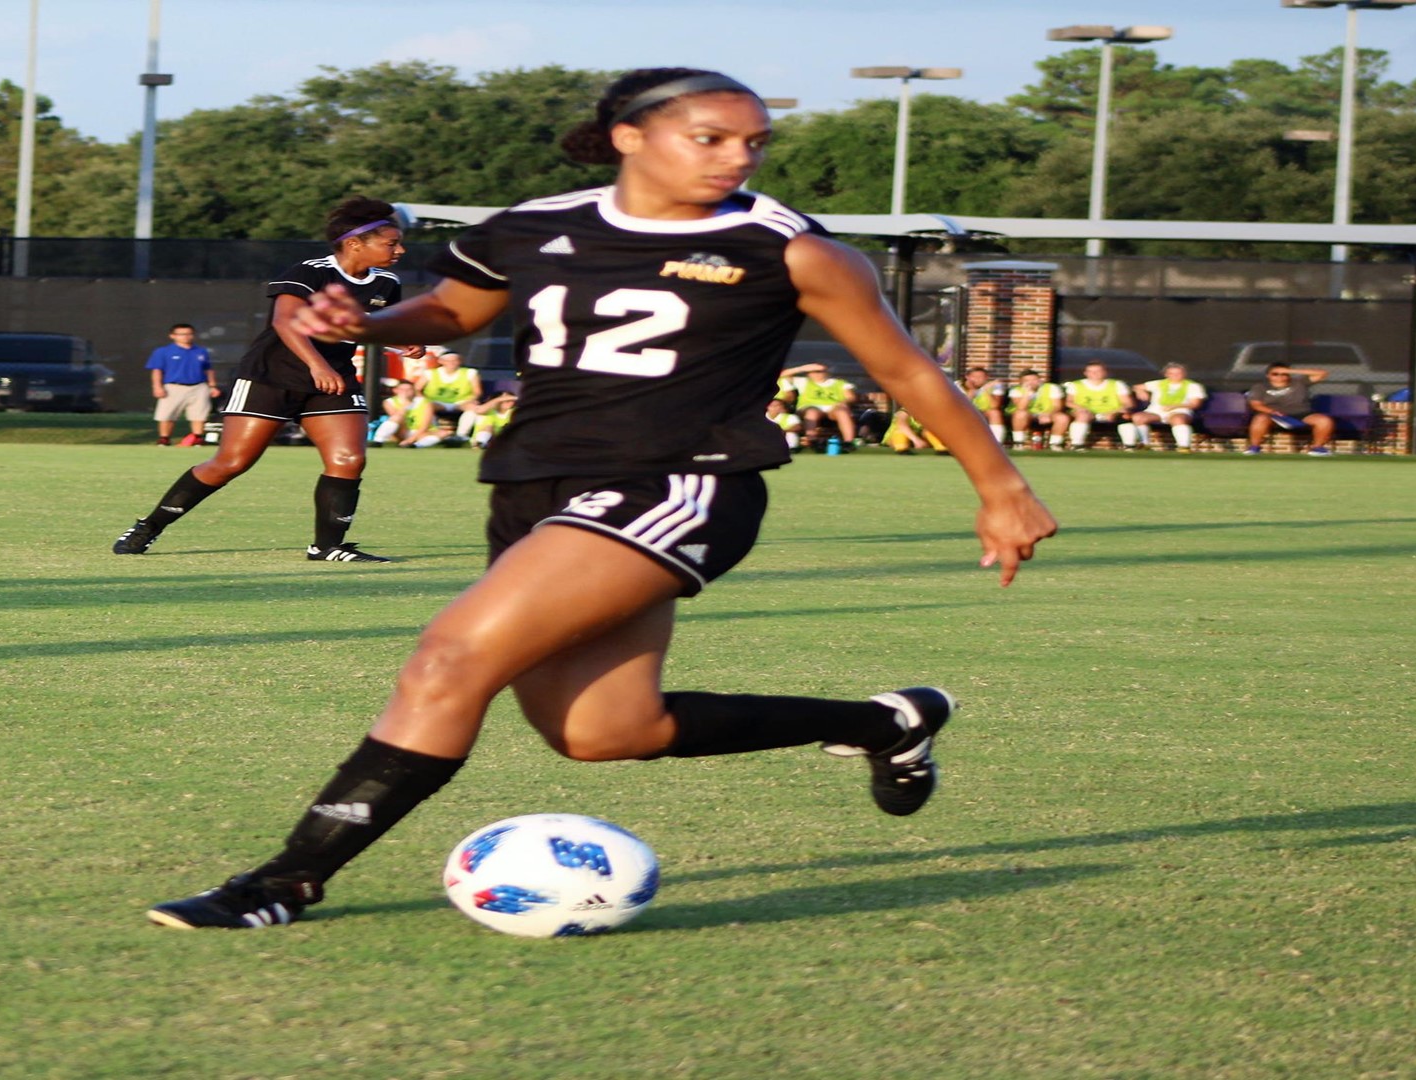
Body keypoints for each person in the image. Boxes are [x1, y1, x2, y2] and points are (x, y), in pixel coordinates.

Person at [145, 68, 1057, 932]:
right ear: (630, 136)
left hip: (682, 480)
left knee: (449, 658)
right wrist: (370, 323)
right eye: (710, 137)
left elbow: (905, 368)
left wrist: (1001, 486)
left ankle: (283, 882)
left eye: (754, 142)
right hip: (534, 482)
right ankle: (884, 723)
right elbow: (457, 313)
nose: (737, 157)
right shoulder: (531, 226)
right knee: (603, 731)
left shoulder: (791, 249)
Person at [111, 196, 413, 561]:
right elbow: (285, 322)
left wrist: (402, 342)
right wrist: (318, 366)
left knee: (349, 459)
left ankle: (327, 546)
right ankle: (150, 526)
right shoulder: (310, 272)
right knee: (230, 463)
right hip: (272, 377)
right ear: (354, 244)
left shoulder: (386, 283)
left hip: (333, 381)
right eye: (391, 243)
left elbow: (371, 326)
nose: (400, 249)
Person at [147, 323, 220, 446]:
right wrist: (157, 387)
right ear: (172, 336)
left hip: (198, 386)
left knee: (199, 414)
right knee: (167, 414)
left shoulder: (201, 351)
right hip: (173, 387)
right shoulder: (163, 351)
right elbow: (157, 370)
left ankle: (198, 438)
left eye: (189, 334)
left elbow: (208, 369)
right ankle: (164, 438)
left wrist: (212, 385)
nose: (186, 337)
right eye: (182, 334)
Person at [1244, 362, 1336, 456]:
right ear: (1268, 375)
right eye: (1275, 374)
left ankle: (1317, 448)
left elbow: (1322, 373)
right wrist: (1272, 411)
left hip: (1301, 413)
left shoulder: (1299, 382)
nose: (1279, 376)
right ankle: (1254, 448)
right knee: (1260, 418)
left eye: (1283, 374)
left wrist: (1290, 370)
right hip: (1274, 414)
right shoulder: (1260, 387)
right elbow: (1256, 404)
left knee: (1324, 420)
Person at [1131, 363, 1207, 452]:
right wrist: (1139, 391)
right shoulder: (1158, 383)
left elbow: (1195, 404)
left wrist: (1175, 406)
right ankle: (1144, 444)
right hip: (1156, 411)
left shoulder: (1193, 386)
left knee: (1177, 419)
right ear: (1166, 374)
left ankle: (1184, 447)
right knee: (1138, 417)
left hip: (1180, 410)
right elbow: (1136, 386)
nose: (1175, 376)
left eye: (1178, 373)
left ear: (1184, 374)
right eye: (1172, 373)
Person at [1062, 361, 1138, 451]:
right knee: (1082, 415)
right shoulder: (1076, 385)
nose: (1094, 374)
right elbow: (1069, 402)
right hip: (1086, 412)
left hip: (1111, 412)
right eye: (1090, 371)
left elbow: (1129, 404)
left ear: (1105, 372)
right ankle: (1077, 445)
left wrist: (1114, 412)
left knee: (1125, 416)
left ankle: (1130, 446)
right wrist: (1082, 408)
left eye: (1098, 371)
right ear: (1085, 373)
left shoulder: (1117, 384)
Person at [415, 345, 484, 440]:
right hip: (436, 402)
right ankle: (433, 432)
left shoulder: (470, 373)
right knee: (426, 407)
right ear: (441, 361)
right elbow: (417, 389)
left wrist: (470, 400)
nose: (452, 363)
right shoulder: (430, 373)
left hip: (461, 402)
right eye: (448, 360)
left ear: (460, 361)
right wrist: (424, 400)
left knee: (474, 408)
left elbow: (477, 392)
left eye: (455, 360)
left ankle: (461, 435)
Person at [787, 363, 858, 449]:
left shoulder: (839, 383)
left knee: (842, 411)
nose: (816, 374)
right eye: (813, 372)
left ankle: (848, 442)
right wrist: (802, 368)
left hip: (832, 408)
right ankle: (812, 440)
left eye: (820, 371)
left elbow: (851, 397)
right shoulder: (803, 381)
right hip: (809, 407)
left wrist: (843, 402)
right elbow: (781, 375)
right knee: (812, 412)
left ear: (826, 372)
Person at [1008, 370, 1069, 450]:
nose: (1031, 382)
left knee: (1062, 417)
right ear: (1021, 382)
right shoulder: (1016, 390)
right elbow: (1021, 407)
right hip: (1028, 415)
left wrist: (1048, 414)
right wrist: (1027, 393)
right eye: (1027, 381)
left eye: (1034, 380)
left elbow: (1057, 406)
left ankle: (1055, 444)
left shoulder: (1051, 387)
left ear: (1039, 380)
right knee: (1020, 414)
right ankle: (1019, 443)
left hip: (1048, 413)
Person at [372, 380, 442, 447]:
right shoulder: (389, 402)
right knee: (397, 417)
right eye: (402, 389)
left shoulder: (425, 403)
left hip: (419, 433)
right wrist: (405, 405)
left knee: (443, 433)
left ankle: (416, 445)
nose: (405, 392)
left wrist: (411, 439)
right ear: (396, 390)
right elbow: (396, 418)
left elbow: (425, 425)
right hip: (403, 431)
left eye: (409, 389)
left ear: (414, 390)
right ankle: (378, 441)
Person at [960, 366, 1008, 445]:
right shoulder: (957, 385)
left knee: (995, 413)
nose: (978, 379)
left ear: (986, 378)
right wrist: (973, 390)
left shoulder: (994, 386)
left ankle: (997, 443)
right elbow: (963, 405)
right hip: (965, 412)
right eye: (974, 377)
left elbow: (994, 406)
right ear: (967, 377)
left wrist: (985, 391)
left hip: (984, 412)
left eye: (981, 377)